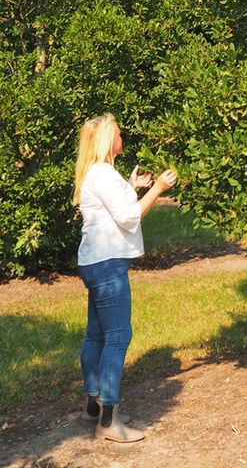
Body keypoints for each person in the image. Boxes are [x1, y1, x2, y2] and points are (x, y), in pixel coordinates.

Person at [72, 113, 177, 444]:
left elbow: (113, 208)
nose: (122, 138)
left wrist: (131, 187)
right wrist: (159, 188)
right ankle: (109, 422)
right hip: (107, 266)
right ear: (107, 140)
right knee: (118, 336)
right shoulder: (102, 174)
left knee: (96, 334)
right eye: (118, 134)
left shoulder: (99, 172)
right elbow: (130, 217)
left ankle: (93, 406)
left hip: (93, 262)